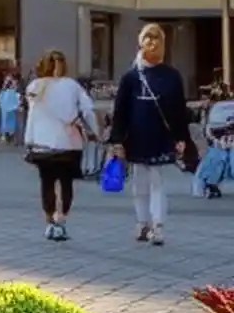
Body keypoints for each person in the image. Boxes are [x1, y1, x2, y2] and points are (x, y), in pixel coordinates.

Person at [109, 23, 189, 246]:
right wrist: (117, 140)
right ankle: (142, 222)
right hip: (136, 136)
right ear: (140, 42)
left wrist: (181, 137)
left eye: (157, 39)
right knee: (139, 182)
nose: (152, 43)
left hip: (161, 136)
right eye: (148, 38)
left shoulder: (172, 76)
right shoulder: (131, 77)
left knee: (156, 181)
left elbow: (179, 109)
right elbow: (121, 110)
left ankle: (158, 225)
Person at [24, 49, 98, 242]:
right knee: (66, 182)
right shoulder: (72, 86)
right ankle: (61, 220)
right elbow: (88, 110)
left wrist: (28, 140)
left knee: (46, 182)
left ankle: (49, 221)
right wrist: (95, 131)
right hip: (68, 143)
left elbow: (32, 115)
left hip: (42, 144)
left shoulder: (35, 87)